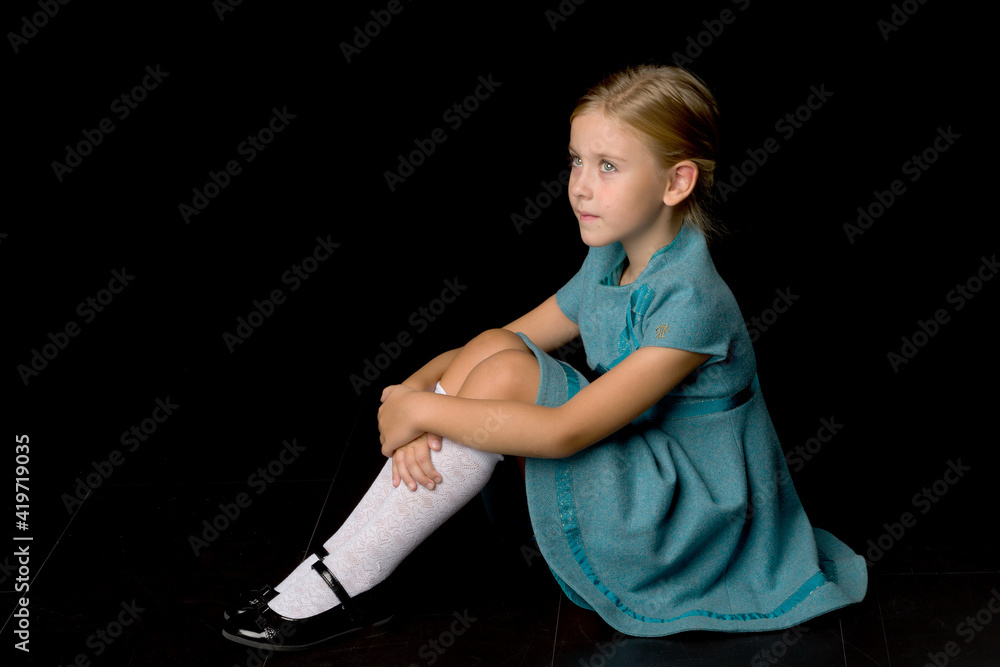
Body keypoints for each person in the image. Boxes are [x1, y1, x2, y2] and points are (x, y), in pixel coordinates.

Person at [222, 65, 867, 650]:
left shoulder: (693, 300)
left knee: (506, 372)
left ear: (676, 181)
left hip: (688, 520)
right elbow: (498, 338)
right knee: (497, 349)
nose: (580, 187)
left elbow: (566, 432)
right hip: (641, 468)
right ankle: (343, 568)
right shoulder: (611, 259)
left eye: (608, 167)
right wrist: (410, 393)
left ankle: (348, 577)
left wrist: (426, 412)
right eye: (576, 161)